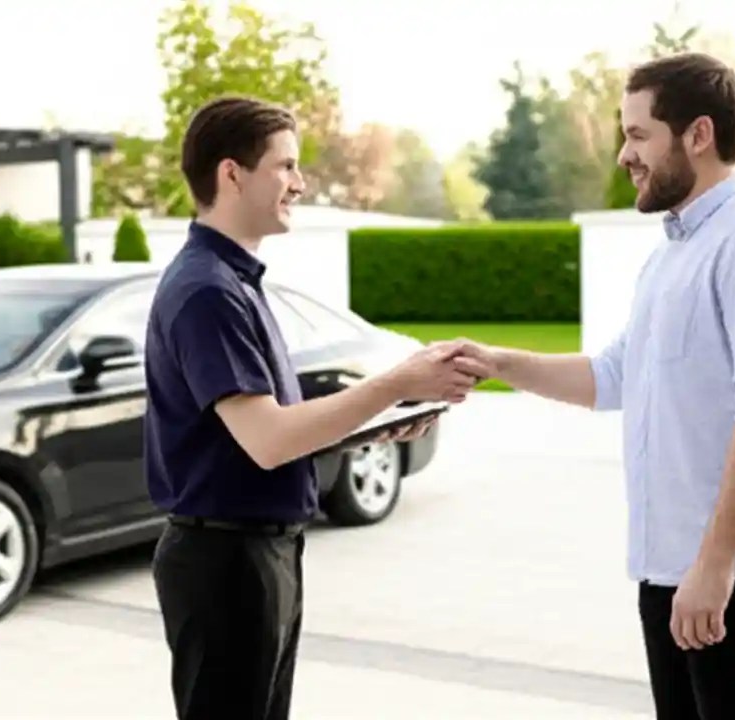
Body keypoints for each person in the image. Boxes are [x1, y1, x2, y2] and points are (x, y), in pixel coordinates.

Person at [449, 53, 735, 719]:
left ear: (698, 135)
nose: (624, 154)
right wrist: (496, 362)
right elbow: (613, 375)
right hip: (669, 569)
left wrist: (715, 564)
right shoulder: (670, 255)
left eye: (637, 134)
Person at [142, 95, 489, 720]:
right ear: (231, 174)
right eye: (285, 166)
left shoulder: (235, 282)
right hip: (227, 567)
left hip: (259, 556)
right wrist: (396, 380)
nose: (300, 183)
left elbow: (263, 435)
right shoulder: (206, 293)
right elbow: (268, 439)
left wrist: (371, 425)